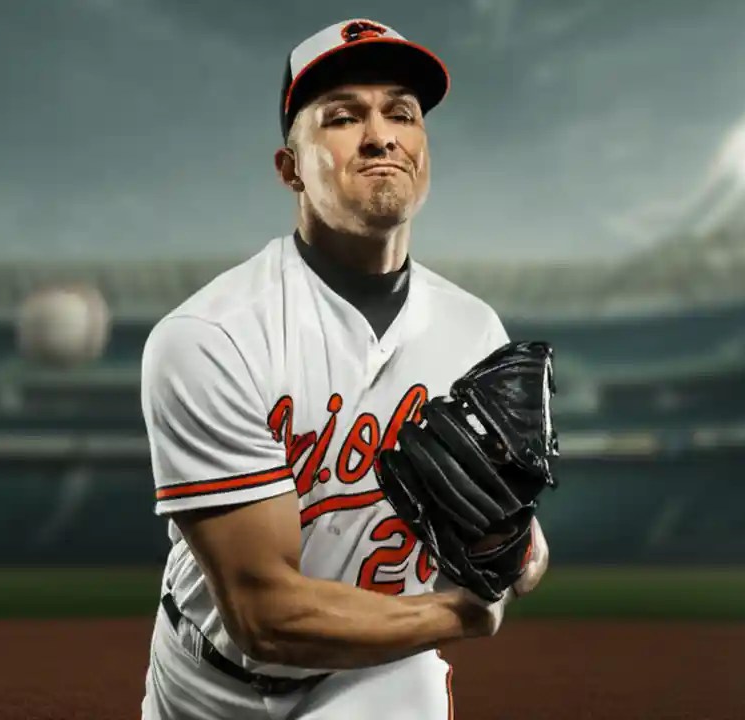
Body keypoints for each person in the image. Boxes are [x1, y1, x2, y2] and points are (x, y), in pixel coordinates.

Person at [139, 18, 549, 720]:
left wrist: (512, 551)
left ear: (423, 149)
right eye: (341, 116)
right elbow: (263, 614)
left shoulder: (475, 333)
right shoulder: (211, 336)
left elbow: (519, 547)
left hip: (375, 676)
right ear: (289, 167)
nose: (381, 134)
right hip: (207, 684)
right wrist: (462, 615)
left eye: (401, 112)